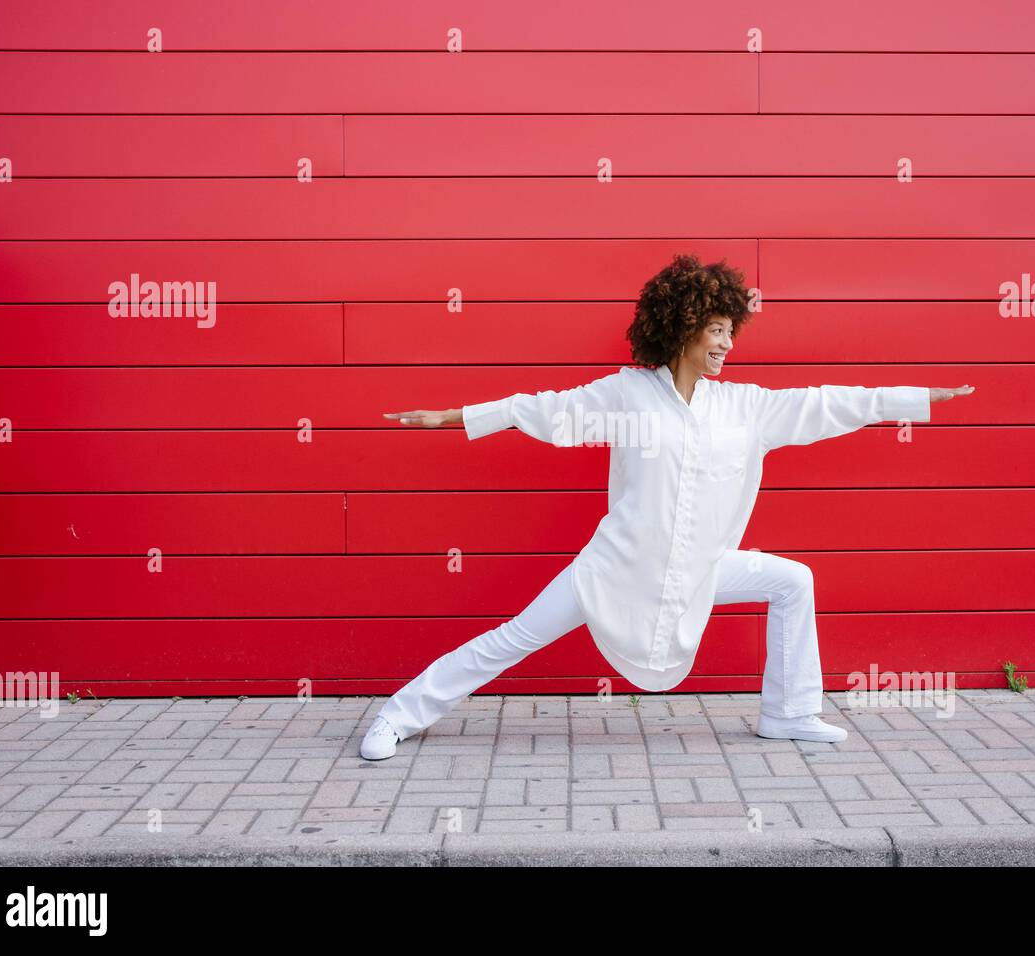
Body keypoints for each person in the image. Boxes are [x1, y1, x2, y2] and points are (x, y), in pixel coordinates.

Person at [361, 253, 974, 760]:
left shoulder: (745, 408)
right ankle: (398, 716)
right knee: (516, 636)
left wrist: (916, 398)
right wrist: (454, 417)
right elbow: (542, 409)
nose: (727, 343)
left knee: (793, 581)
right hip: (613, 571)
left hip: (698, 571)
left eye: (732, 331)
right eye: (716, 330)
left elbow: (828, 403)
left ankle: (788, 713)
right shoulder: (627, 395)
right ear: (682, 327)